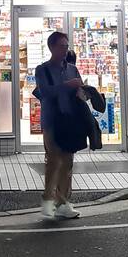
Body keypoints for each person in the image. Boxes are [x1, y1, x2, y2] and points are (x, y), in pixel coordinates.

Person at [33, 30, 85, 220]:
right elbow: (45, 92)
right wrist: (67, 85)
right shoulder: (42, 70)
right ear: (51, 47)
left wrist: (82, 92)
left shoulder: (72, 69)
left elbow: (78, 90)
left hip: (70, 121)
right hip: (51, 121)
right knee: (54, 160)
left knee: (68, 162)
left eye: (66, 46)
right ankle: (49, 198)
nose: (65, 50)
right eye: (61, 46)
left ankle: (62, 202)